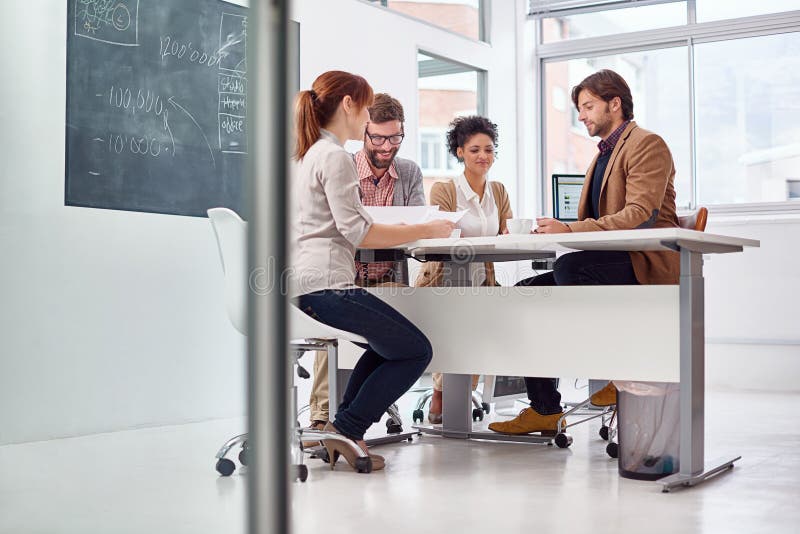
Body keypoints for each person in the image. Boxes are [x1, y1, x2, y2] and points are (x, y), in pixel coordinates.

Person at [488, 69, 680, 436]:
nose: (581, 115)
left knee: (571, 269)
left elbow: (640, 215)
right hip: (611, 261)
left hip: (644, 264)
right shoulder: (603, 154)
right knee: (526, 293)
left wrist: (570, 230)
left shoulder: (647, 144)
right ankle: (545, 409)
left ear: (615, 103)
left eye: (588, 106)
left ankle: (620, 369)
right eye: (579, 108)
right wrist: (557, 230)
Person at [292, 70, 455, 471]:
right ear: (348, 104)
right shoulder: (335, 157)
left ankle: (342, 431)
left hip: (305, 284)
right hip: (327, 286)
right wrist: (428, 228)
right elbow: (359, 231)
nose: (368, 117)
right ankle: (346, 430)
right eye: (365, 107)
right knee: (417, 351)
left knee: (388, 347)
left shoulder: (309, 153)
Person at [306, 92, 425, 434]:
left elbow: (413, 230)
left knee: (400, 333)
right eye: (378, 137)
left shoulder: (409, 173)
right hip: (343, 279)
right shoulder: (338, 164)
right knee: (338, 325)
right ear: (364, 132)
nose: (387, 146)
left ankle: (345, 424)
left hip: (386, 278)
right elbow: (351, 230)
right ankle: (323, 418)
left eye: (395, 137)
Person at [415, 115, 513, 424]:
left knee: (480, 335)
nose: (483, 156)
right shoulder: (445, 190)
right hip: (445, 278)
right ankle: (443, 393)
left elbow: (508, 233)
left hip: (483, 279)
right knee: (455, 334)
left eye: (488, 149)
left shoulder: (498, 191)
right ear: (460, 152)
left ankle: (454, 395)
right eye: (474, 150)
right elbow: (444, 235)